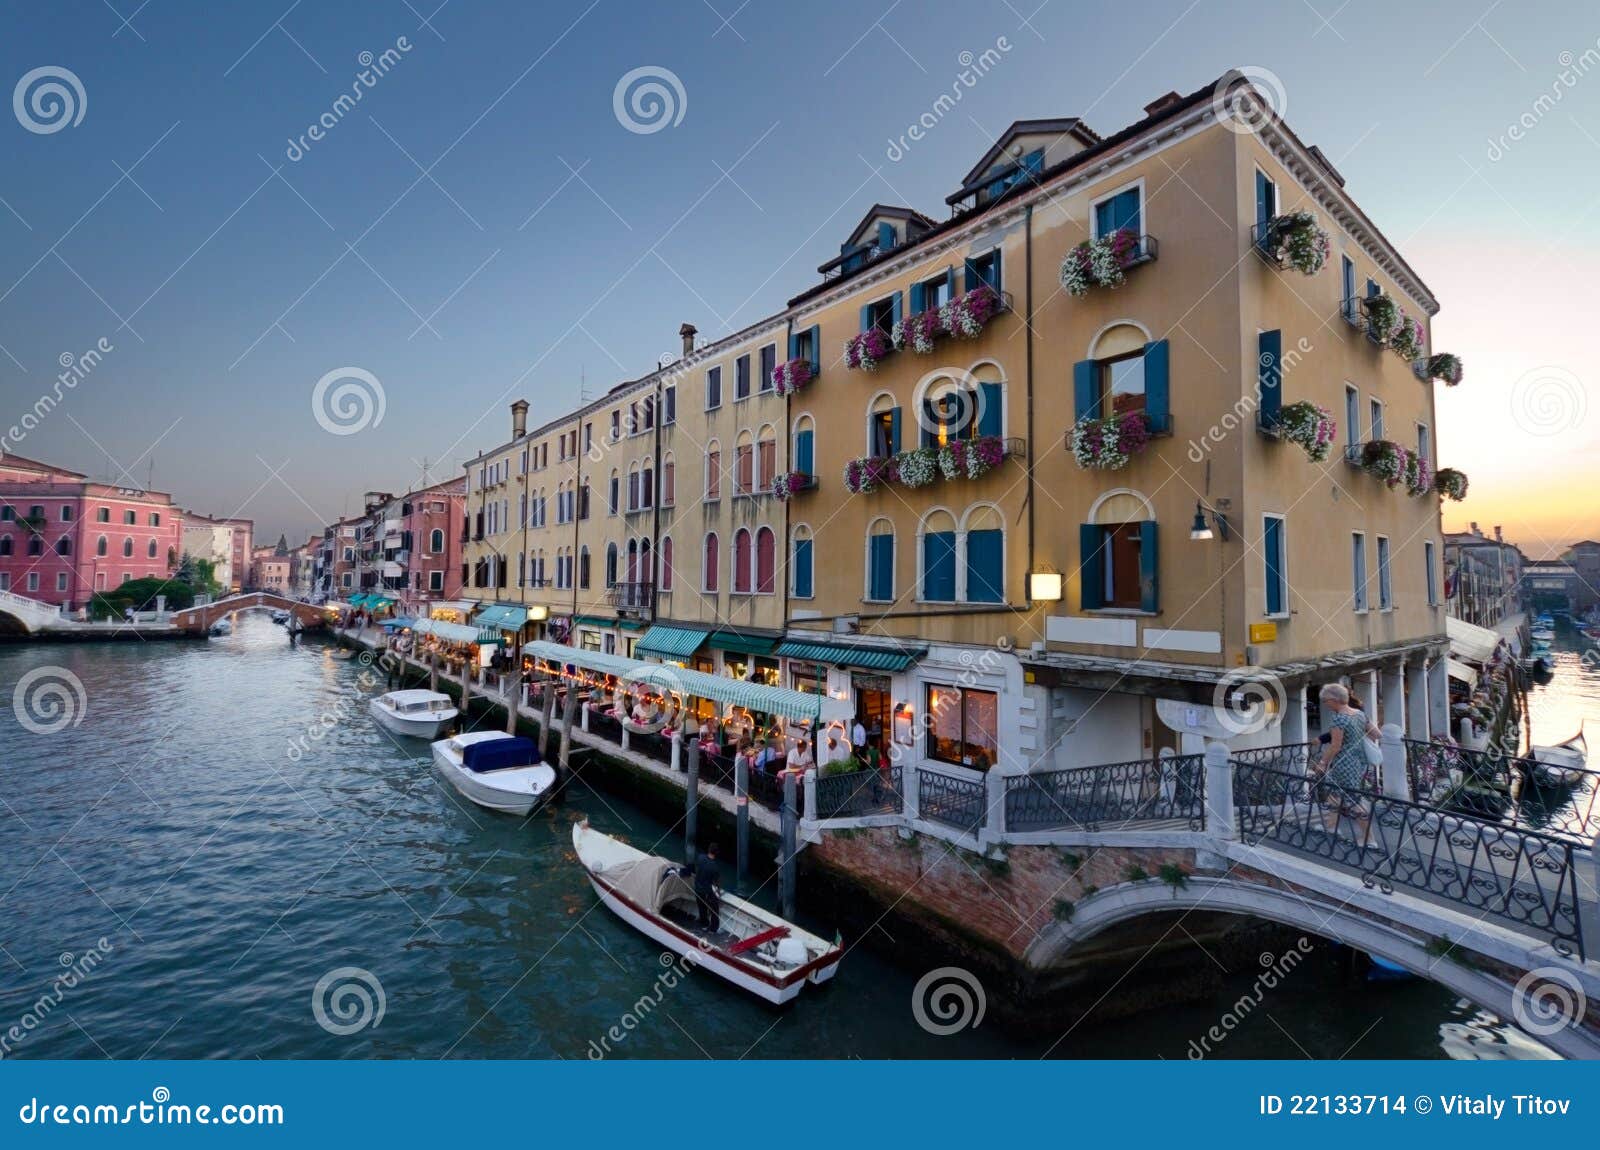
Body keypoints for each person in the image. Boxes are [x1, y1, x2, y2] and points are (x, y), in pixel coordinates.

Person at [1313, 683, 1371, 837]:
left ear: (1334, 700)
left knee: (1353, 800)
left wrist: (1322, 763)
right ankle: (1331, 827)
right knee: (1335, 794)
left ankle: (1369, 839)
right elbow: (1375, 733)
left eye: (1325, 701)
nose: (1325, 705)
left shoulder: (1339, 719)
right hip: (1357, 760)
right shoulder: (1359, 714)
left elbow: (1335, 746)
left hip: (1344, 763)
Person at [692, 842, 721, 932]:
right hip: (706, 891)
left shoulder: (700, 857)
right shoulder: (715, 867)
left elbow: (696, 868)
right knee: (714, 909)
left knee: (701, 906)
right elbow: (716, 883)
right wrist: (718, 893)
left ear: (708, 850)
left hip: (697, 888)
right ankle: (713, 928)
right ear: (716, 853)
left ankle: (703, 921)